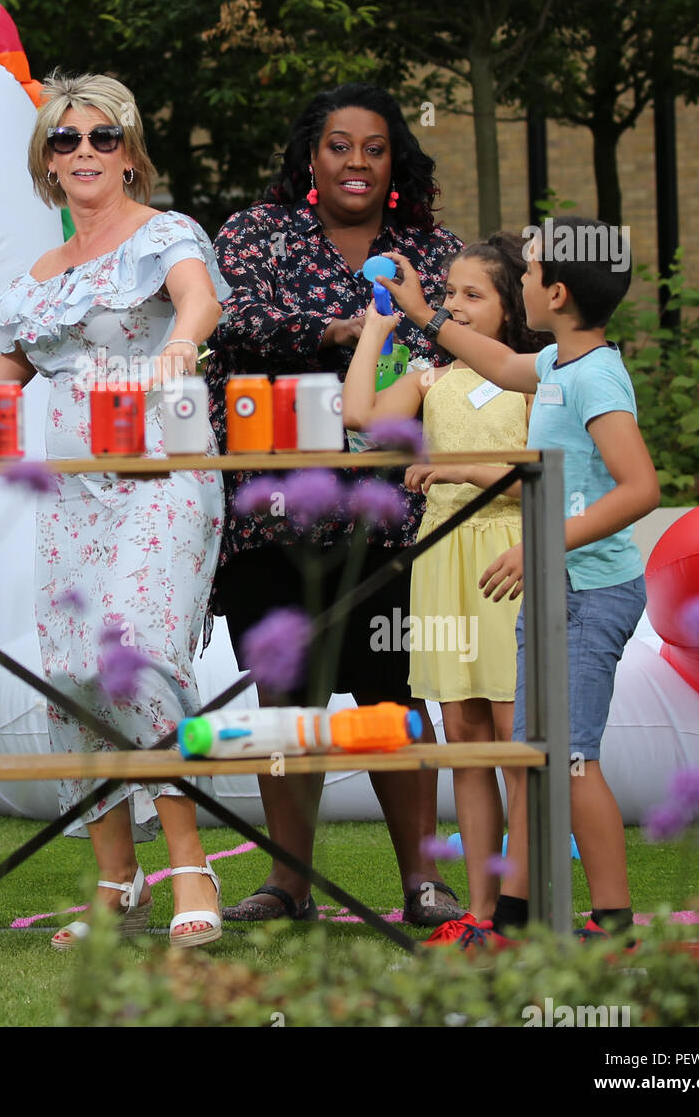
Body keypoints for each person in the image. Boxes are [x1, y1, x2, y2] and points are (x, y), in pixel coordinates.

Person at [0, 72, 230, 948]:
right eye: (65, 140)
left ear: (129, 154)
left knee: (137, 647)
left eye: (102, 137)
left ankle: (192, 866)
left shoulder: (166, 236)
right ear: (45, 162)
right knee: (75, 674)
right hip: (73, 494)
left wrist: (181, 343)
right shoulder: (39, 277)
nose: (84, 152)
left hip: (164, 475)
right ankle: (117, 885)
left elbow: (199, 296)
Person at [206, 82, 465, 926]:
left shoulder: (433, 250)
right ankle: (288, 884)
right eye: (339, 146)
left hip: (397, 514)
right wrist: (337, 331)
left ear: (397, 163)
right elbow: (229, 320)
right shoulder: (255, 234)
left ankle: (423, 883)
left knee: (394, 694)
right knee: (287, 699)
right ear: (310, 158)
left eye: (375, 148)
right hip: (269, 509)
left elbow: (464, 340)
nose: (357, 162)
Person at [382, 214, 660, 942]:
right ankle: (510, 920)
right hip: (556, 591)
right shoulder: (557, 366)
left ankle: (613, 925)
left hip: (589, 592)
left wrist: (542, 545)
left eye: (530, 272)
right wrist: (421, 313)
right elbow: (500, 364)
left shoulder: (596, 377)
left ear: (556, 293)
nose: (522, 278)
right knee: (533, 757)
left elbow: (639, 490)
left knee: (568, 761)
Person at [343, 233, 548, 937]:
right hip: (440, 560)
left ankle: (530, 904)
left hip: (506, 558)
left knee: (509, 734)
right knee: (461, 736)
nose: (453, 306)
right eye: (448, 292)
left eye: (472, 295)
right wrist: (378, 325)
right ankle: (482, 912)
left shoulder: (533, 382)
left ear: (510, 307)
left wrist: (461, 468)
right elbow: (361, 416)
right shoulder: (433, 377)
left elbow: (542, 482)